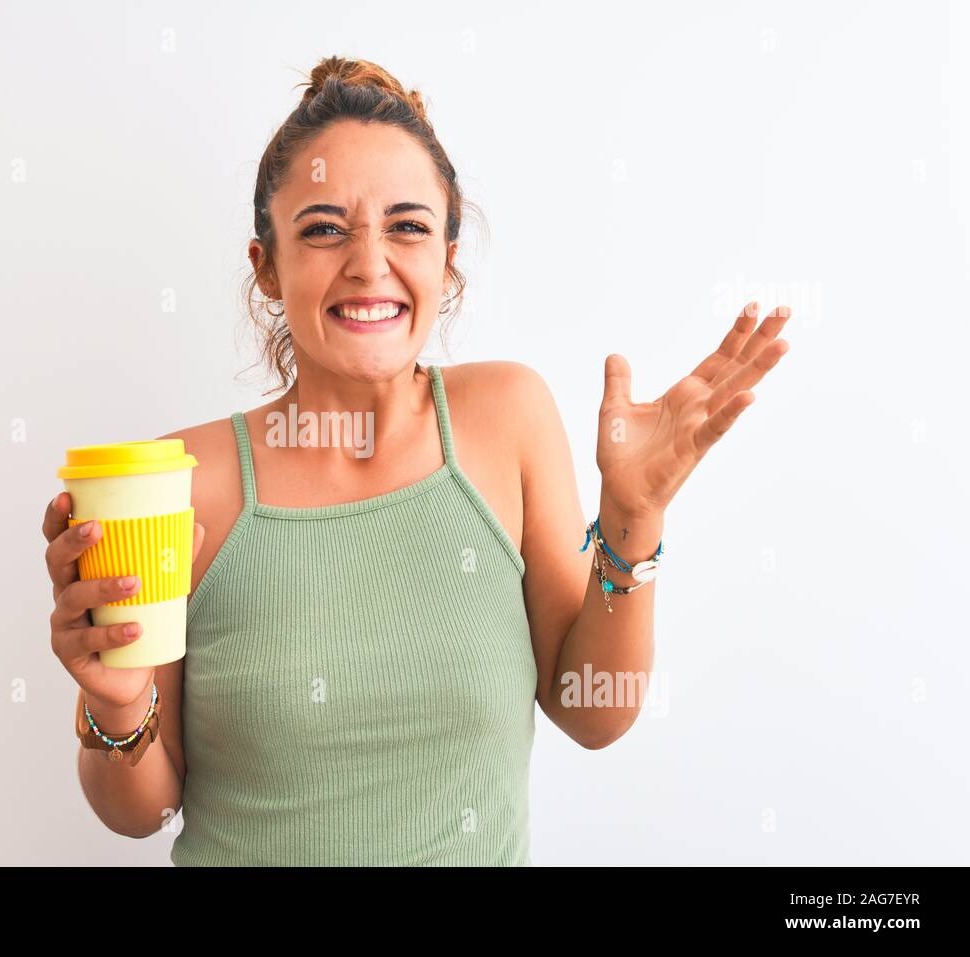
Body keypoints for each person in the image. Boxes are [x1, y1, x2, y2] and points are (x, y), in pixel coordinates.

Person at [44, 55, 791, 866]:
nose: (370, 264)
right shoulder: (184, 478)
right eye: (325, 228)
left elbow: (592, 711)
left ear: (447, 255)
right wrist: (116, 701)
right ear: (266, 266)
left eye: (407, 226)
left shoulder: (507, 419)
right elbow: (140, 811)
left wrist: (633, 520)